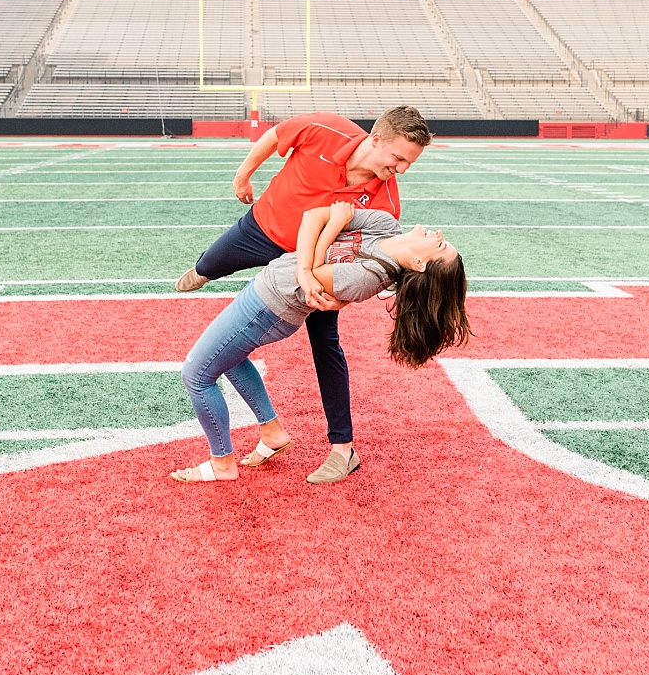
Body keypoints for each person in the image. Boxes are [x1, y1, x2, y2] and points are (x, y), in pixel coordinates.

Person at [174, 106, 432, 483]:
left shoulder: (386, 204)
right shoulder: (325, 128)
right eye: (398, 158)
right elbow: (275, 137)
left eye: (410, 163)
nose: (403, 169)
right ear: (375, 140)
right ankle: (203, 270)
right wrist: (244, 176)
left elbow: (363, 267)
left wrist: (337, 296)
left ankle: (343, 447)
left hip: (309, 265)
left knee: (327, 345)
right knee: (208, 265)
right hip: (264, 229)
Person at [171, 201, 469, 484]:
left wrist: (335, 225)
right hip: (266, 288)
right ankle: (272, 432)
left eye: (440, 245)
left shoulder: (370, 277)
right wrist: (318, 244)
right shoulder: (386, 225)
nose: (439, 234)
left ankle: (222, 463)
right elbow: (313, 216)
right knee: (229, 358)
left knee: (197, 375)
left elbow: (313, 275)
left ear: (419, 263)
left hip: (270, 309)